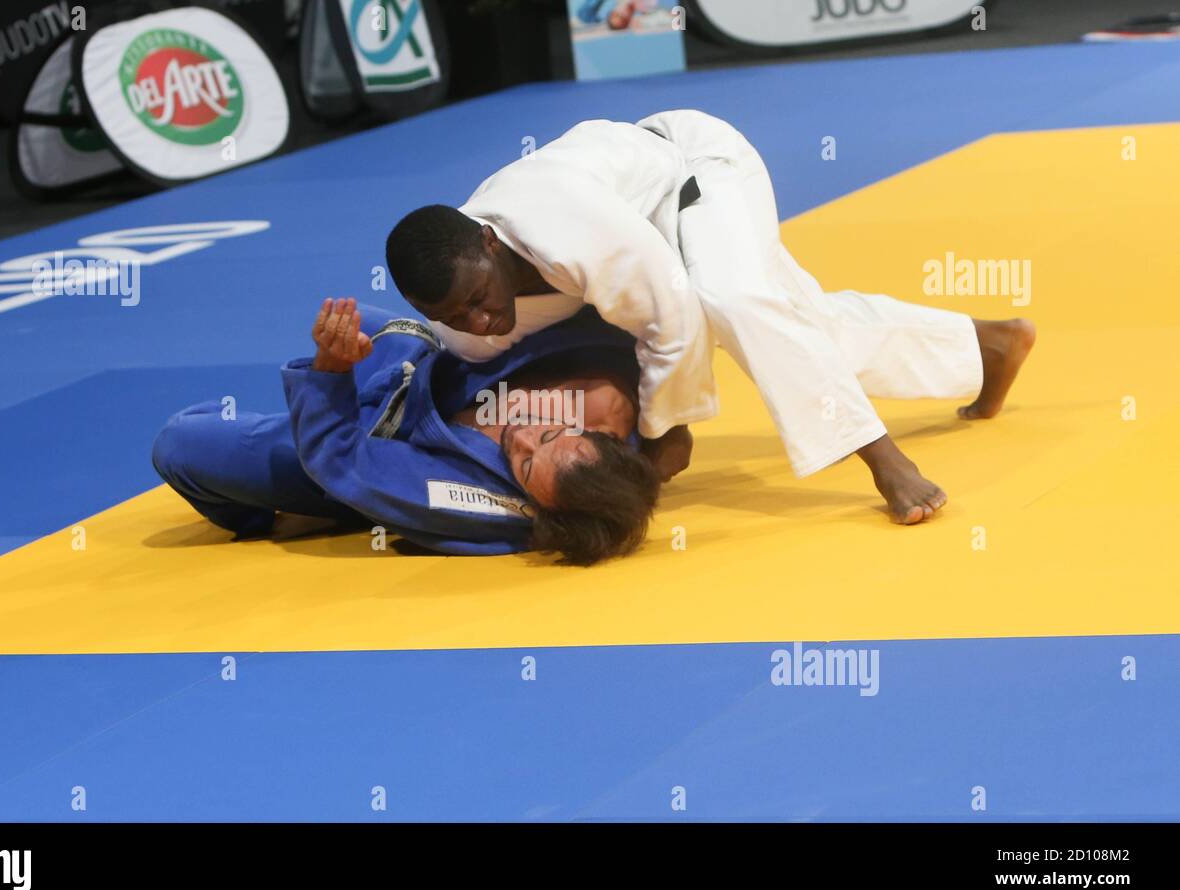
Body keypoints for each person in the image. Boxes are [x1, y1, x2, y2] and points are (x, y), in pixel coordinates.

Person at [386, 109, 1036, 524]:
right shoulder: (458, 317)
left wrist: (668, 427)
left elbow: (676, 319)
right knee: (799, 326)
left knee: (735, 299)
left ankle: (883, 459)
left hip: (693, 170)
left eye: (479, 297)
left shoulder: (562, 226)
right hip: (641, 231)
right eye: (454, 314)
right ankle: (982, 348)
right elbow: (469, 372)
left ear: (490, 242)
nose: (479, 318)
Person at [152, 299, 659, 565]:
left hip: (366, 446)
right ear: (598, 436)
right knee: (355, 314)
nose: (522, 437)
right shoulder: (611, 415)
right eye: (548, 437)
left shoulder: (477, 502)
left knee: (181, 444)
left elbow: (341, 458)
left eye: (524, 465)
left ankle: (276, 519)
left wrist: (329, 371)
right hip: (412, 366)